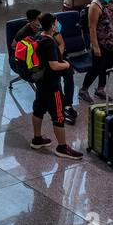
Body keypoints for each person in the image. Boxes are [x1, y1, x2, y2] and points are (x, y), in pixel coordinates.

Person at [29, 13, 84, 159]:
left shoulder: (38, 37)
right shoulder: (49, 42)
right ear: (53, 25)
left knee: (38, 109)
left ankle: (37, 139)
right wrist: (66, 64)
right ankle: (62, 147)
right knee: (58, 116)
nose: (57, 24)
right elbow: (53, 65)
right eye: (56, 22)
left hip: (41, 82)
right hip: (52, 85)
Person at [79, 0, 113, 103]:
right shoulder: (95, 6)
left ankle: (100, 89)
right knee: (96, 68)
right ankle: (83, 90)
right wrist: (95, 46)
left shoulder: (111, 2)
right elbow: (92, 28)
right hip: (101, 42)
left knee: (107, 67)